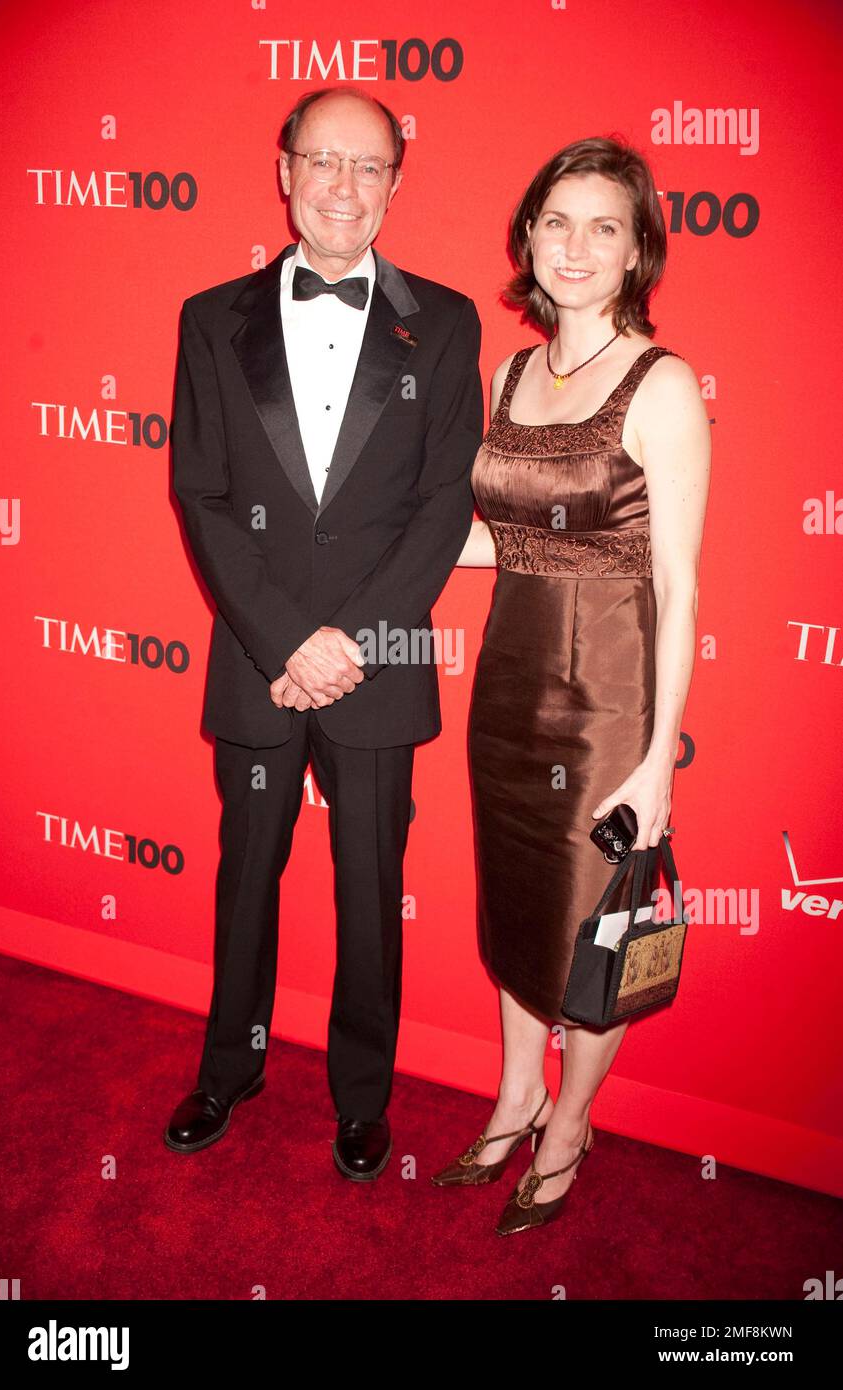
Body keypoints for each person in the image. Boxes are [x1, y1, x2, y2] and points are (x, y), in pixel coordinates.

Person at [166, 85, 483, 1181]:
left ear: (396, 183)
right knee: (245, 878)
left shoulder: (443, 322)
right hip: (261, 656)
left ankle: (361, 1096)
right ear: (284, 170)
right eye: (324, 161)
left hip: (380, 664)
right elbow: (201, 495)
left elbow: (443, 504)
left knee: (367, 887)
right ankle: (226, 1071)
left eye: (369, 167)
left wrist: (347, 641)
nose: (345, 187)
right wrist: (286, 640)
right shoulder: (210, 318)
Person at [434, 136, 710, 1234]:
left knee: (595, 928)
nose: (577, 245)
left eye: (605, 225)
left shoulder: (663, 383)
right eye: (557, 221)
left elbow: (682, 588)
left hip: (607, 702)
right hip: (505, 690)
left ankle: (568, 1125)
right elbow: (495, 539)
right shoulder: (509, 372)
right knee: (517, 909)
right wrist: (348, 554)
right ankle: (516, 1092)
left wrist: (657, 759)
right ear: (528, 240)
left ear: (639, 248)